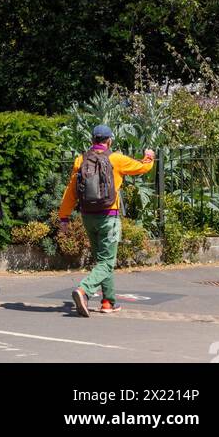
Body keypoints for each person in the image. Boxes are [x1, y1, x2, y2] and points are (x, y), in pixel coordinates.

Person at [58, 123, 155, 315]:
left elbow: (70, 192)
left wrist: (64, 218)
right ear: (109, 140)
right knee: (107, 262)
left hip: (87, 217)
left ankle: (108, 302)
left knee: (102, 260)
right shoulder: (116, 159)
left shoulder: (80, 160)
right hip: (108, 217)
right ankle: (84, 290)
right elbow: (142, 168)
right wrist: (149, 156)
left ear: (92, 140)